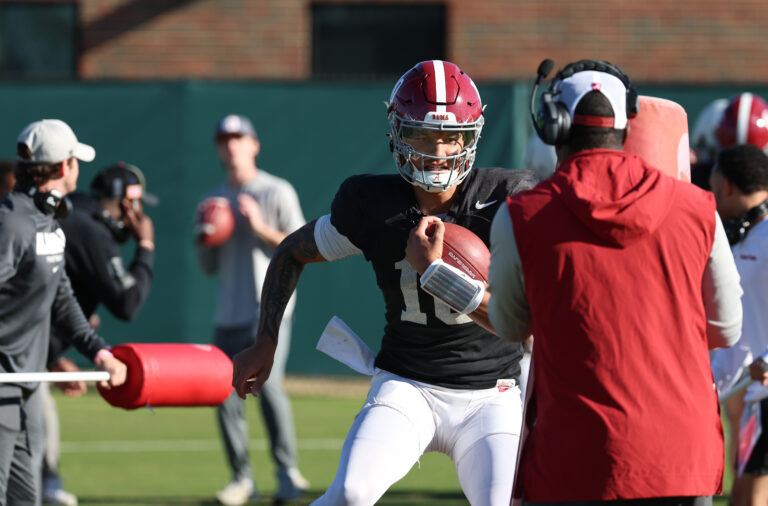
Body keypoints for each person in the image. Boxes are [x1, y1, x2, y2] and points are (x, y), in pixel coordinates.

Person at [231, 60, 538, 506]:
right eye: (422, 135)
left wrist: (435, 273)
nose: (438, 150)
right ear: (397, 133)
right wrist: (266, 340)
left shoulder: (508, 201)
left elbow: (523, 325)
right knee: (351, 493)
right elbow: (290, 251)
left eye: (450, 136)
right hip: (407, 384)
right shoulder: (374, 204)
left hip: (493, 393)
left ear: (470, 137)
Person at [487, 60, 743, 504]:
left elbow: (511, 326)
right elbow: (727, 328)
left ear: (553, 125)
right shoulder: (699, 207)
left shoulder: (522, 215)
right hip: (681, 458)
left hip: (576, 458)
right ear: (627, 124)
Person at [0, 119, 127, 505]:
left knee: (26, 499)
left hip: (27, 387)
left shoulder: (50, 222)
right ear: (62, 167)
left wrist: (99, 352)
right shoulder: (11, 223)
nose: (77, 170)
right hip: (2, 388)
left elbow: (63, 300)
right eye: (75, 162)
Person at [195, 114, 309, 505]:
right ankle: (241, 479)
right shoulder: (212, 200)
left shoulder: (276, 191)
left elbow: (302, 248)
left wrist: (259, 226)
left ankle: (288, 473)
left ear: (254, 144)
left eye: (238, 138)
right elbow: (208, 268)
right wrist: (204, 237)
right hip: (227, 313)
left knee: (270, 388)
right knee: (223, 396)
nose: (231, 145)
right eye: (224, 139)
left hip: (269, 312)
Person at [41, 161, 157, 505]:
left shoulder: (74, 215)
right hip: (15, 349)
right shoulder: (90, 229)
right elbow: (127, 303)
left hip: (27, 346)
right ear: (125, 204)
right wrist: (146, 246)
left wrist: (51, 358)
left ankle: (46, 482)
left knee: (38, 421)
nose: (137, 215)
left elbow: (51, 297)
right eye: (135, 205)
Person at [708, 144, 768, 506]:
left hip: (764, 392)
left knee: (752, 497)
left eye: (714, 189)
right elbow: (738, 336)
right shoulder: (740, 239)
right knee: (742, 497)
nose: (712, 198)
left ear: (727, 186)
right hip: (753, 398)